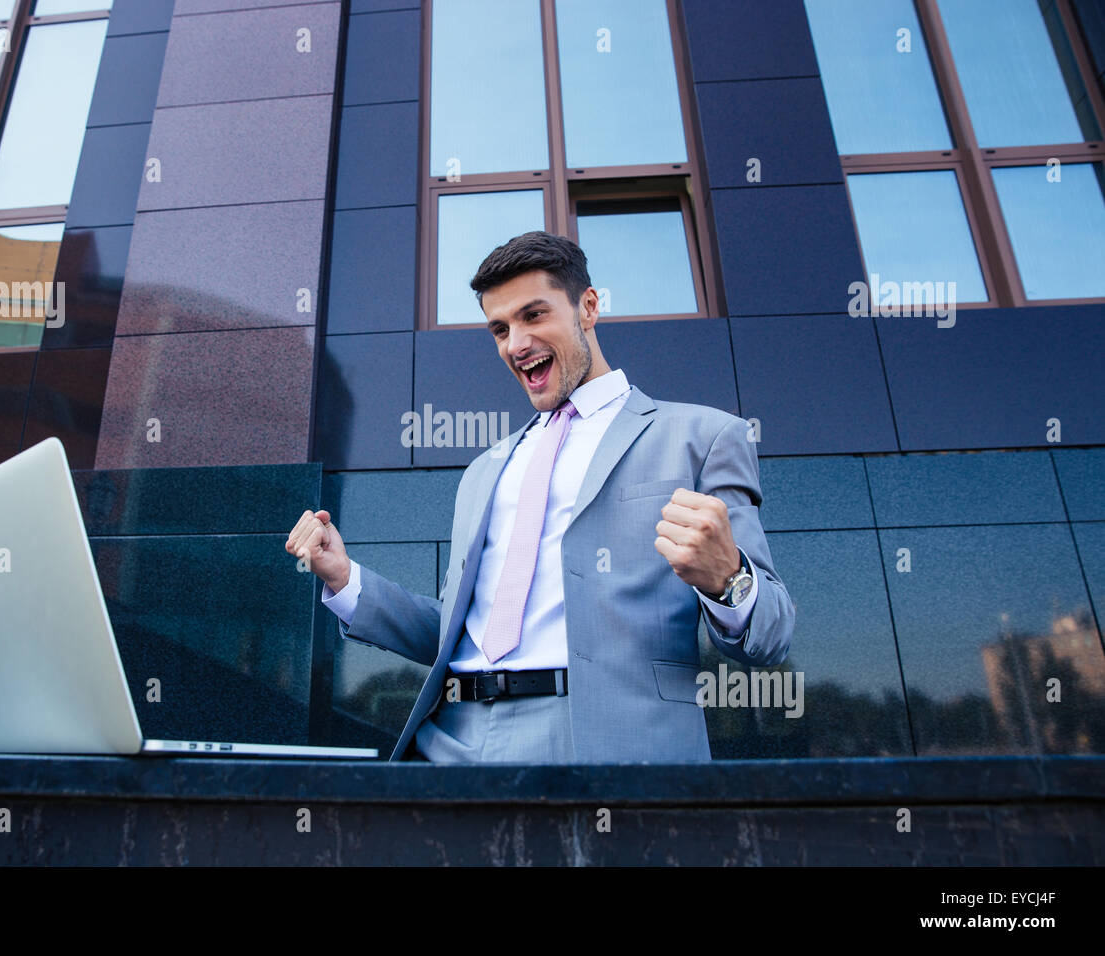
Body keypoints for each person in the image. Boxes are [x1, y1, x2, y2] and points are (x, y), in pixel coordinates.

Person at [286, 231, 794, 763]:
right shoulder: (485, 470)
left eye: (533, 315)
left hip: (603, 747)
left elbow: (770, 637)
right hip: (453, 743)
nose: (515, 344)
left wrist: (728, 578)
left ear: (589, 307)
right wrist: (345, 579)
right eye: (500, 329)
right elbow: (454, 636)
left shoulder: (702, 437)